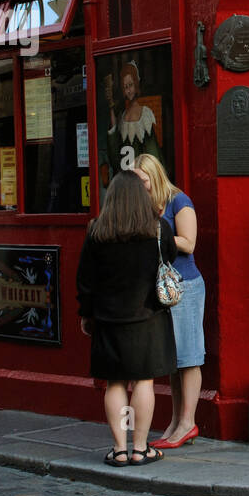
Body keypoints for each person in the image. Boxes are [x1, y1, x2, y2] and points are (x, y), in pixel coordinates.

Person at [76, 170, 177, 466]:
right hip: (148, 317)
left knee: (115, 384)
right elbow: (168, 259)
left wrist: (86, 313)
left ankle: (119, 449)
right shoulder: (158, 229)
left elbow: (85, 278)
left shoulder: (97, 230)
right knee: (144, 383)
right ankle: (141, 448)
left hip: (108, 319)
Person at [132, 154, 204, 450]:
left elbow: (189, 243)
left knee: (189, 357)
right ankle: (176, 421)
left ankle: (188, 422)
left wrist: (157, 234)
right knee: (174, 360)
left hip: (184, 285)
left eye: (144, 181)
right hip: (162, 289)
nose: (141, 187)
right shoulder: (145, 204)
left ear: (155, 176)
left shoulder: (179, 201)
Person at [105, 61, 163, 182]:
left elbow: (153, 156)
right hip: (127, 182)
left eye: (131, 85)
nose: (129, 91)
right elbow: (115, 157)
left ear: (136, 84)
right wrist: (111, 107)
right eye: (125, 87)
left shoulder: (145, 114)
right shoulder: (122, 117)